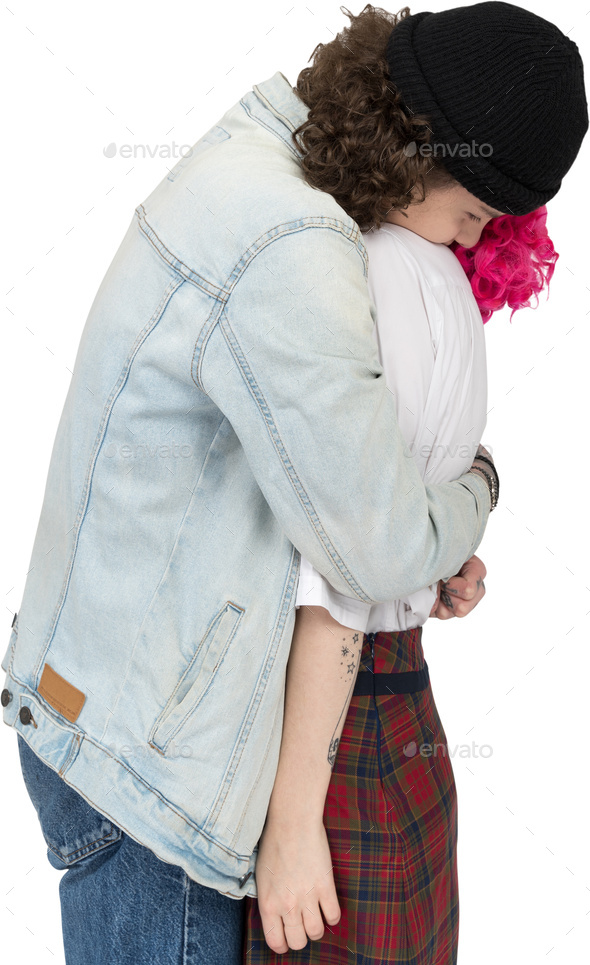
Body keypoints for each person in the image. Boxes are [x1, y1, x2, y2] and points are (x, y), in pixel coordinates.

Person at [0, 2, 584, 964]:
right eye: (476, 212)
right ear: (427, 152)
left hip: (102, 700)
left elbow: (330, 498)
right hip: (151, 765)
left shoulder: (264, 148)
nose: (469, 240)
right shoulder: (299, 249)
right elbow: (375, 545)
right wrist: (476, 484)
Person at [242, 4, 586, 963]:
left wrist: (292, 819)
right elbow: (402, 524)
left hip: (335, 733)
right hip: (404, 724)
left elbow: (341, 565)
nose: (482, 226)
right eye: (477, 202)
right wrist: (436, 562)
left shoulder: (374, 266)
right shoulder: (429, 279)